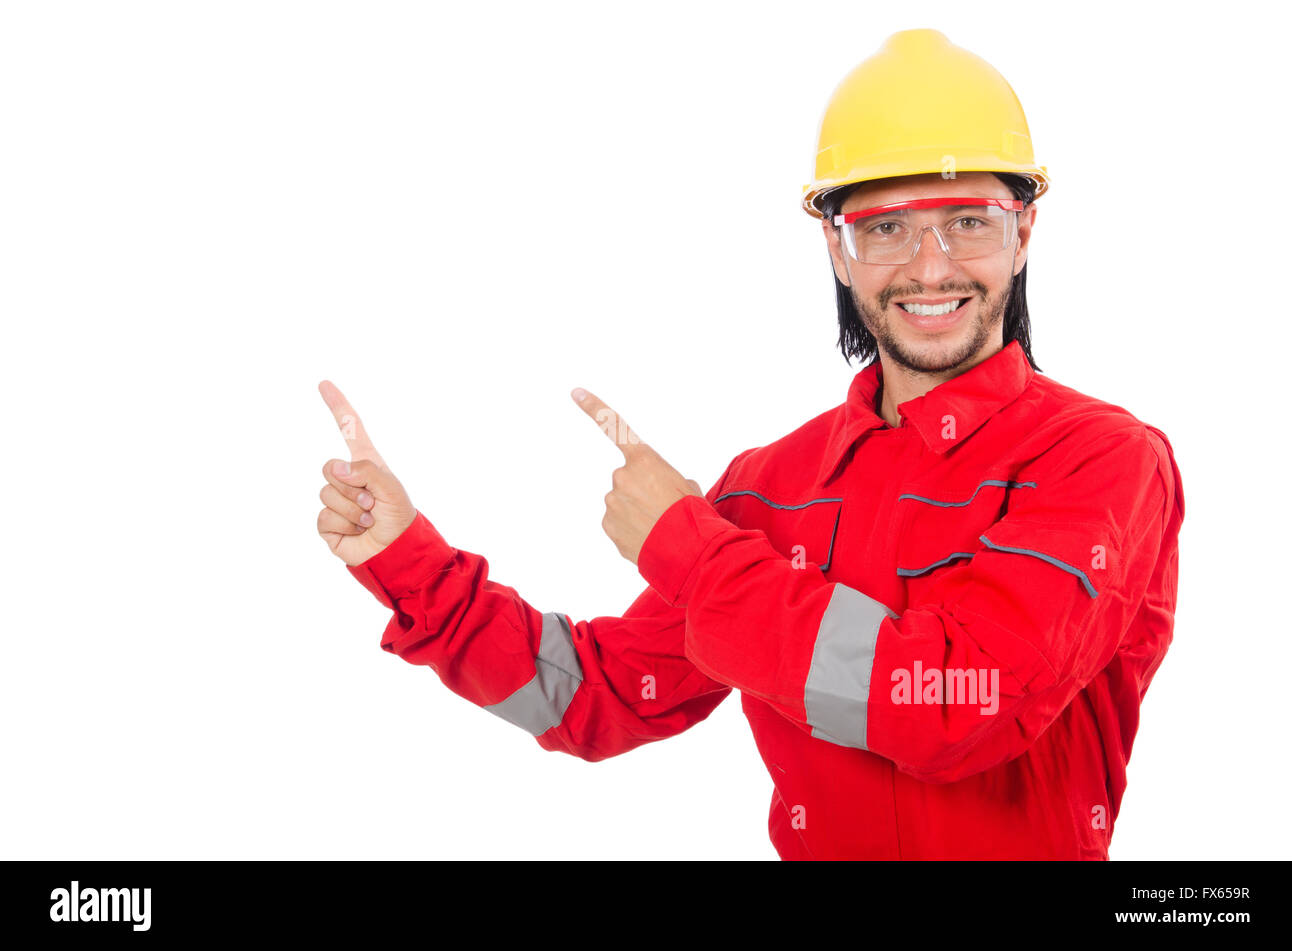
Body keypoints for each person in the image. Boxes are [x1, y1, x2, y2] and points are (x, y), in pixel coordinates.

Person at [315, 28, 1184, 859]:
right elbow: (593, 697)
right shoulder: (771, 489)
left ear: (1023, 231)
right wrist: (411, 564)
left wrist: (695, 556)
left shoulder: (1103, 460)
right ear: (837, 250)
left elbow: (964, 703)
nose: (929, 266)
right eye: (885, 227)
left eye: (969, 221)